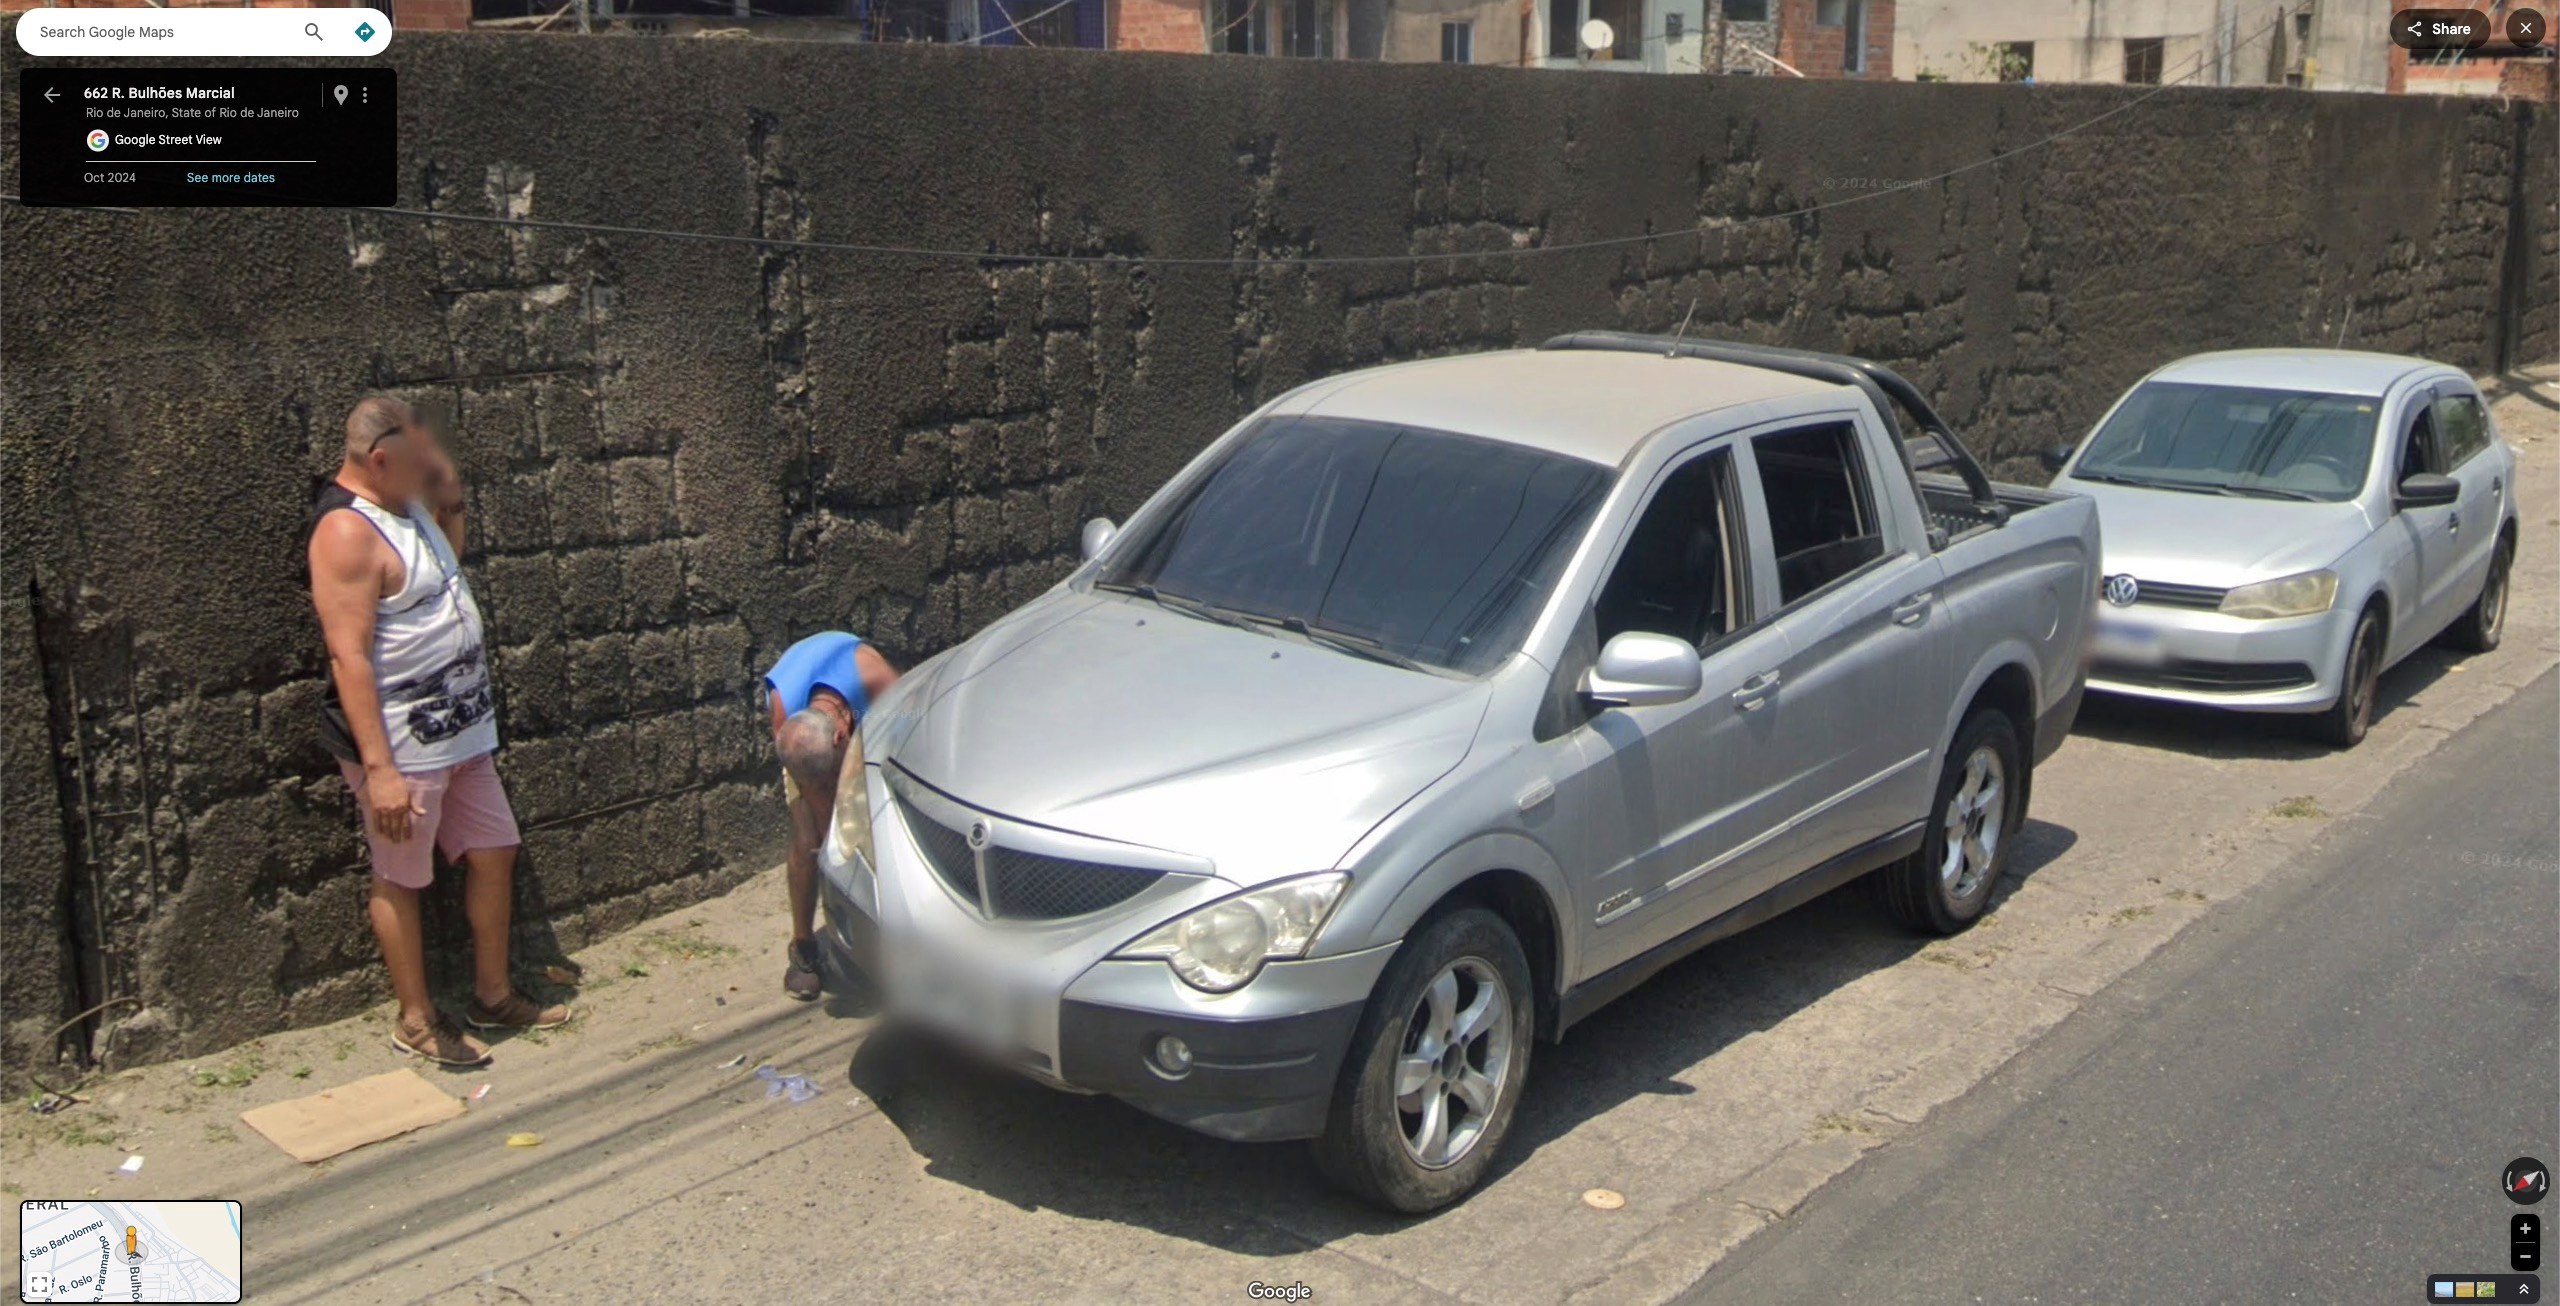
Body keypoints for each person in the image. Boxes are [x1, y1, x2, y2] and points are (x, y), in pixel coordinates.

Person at [308, 395, 570, 1068]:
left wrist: (448, 497)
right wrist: (381, 770)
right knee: (402, 877)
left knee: (494, 850)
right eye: (417, 463)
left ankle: (491, 992)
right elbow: (349, 655)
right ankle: (416, 1020)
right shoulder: (346, 532)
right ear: (380, 459)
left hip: (463, 733)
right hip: (403, 742)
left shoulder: (407, 510)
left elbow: (441, 574)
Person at [763, 631, 900, 1000]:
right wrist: (826, 833)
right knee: (810, 840)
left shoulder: (877, 682)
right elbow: (807, 780)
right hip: (809, 749)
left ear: (841, 735)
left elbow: (910, 739)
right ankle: (804, 948)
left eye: (829, 781)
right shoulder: (785, 712)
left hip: (873, 734)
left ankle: (892, 937)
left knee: (880, 831)